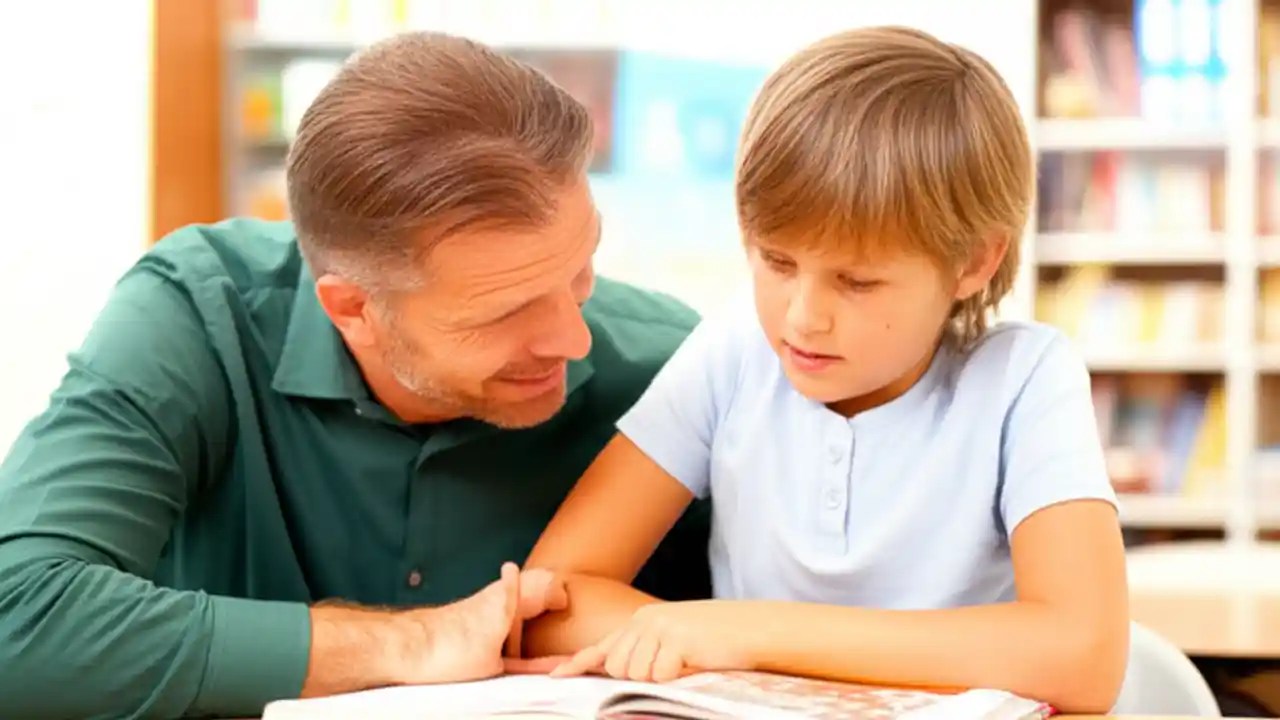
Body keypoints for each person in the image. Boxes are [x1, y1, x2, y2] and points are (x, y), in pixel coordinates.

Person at [0, 32, 711, 720]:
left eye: (580, 267)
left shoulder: (676, 370)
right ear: (352, 309)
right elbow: (16, 620)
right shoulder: (201, 316)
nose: (573, 336)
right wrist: (417, 641)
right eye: (506, 312)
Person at [519, 25, 1130, 715]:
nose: (803, 317)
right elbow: (551, 599)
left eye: (857, 281)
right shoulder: (733, 355)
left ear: (973, 263)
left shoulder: (1025, 379)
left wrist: (746, 632)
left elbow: (1083, 655)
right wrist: (705, 634)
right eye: (776, 262)